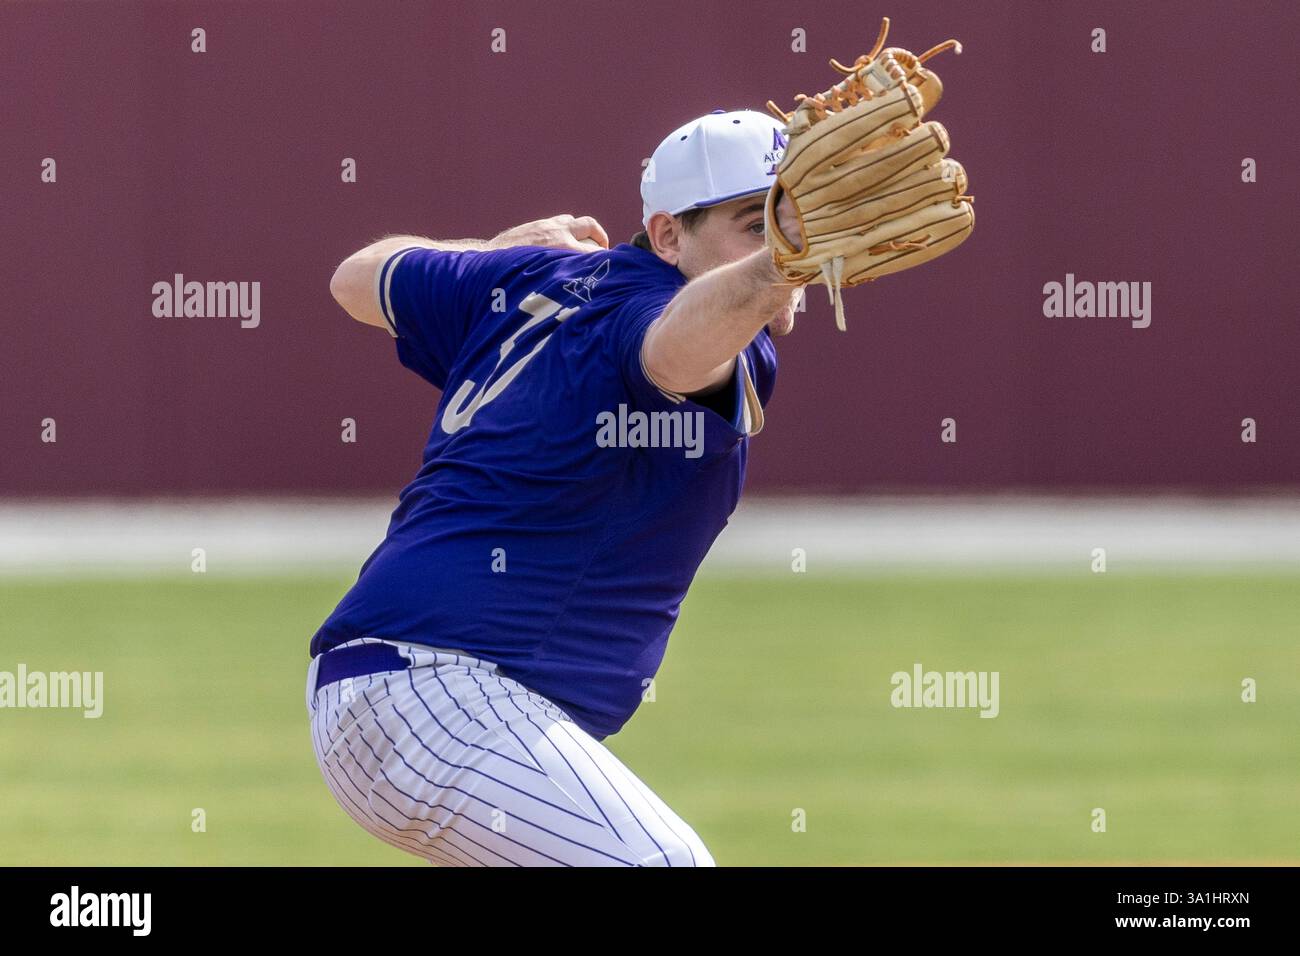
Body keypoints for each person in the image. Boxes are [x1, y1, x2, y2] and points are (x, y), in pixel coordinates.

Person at [307, 108, 803, 866]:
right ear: (667, 235)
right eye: (754, 222)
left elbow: (357, 277)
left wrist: (483, 251)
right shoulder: (674, 316)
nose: (784, 244)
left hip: (402, 693)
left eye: (795, 219)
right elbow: (670, 355)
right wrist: (778, 268)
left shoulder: (530, 278)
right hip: (442, 689)